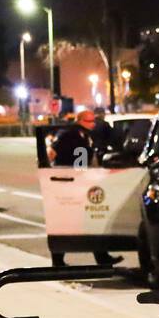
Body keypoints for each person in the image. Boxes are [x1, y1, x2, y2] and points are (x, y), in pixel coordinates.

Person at [47, 109, 122, 267]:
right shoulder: (67, 133)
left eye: (93, 121)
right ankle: (58, 260)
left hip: (83, 181)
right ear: (79, 120)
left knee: (92, 218)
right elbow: (50, 153)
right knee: (65, 221)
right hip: (67, 182)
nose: (93, 124)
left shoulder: (87, 135)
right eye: (89, 121)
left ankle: (102, 257)